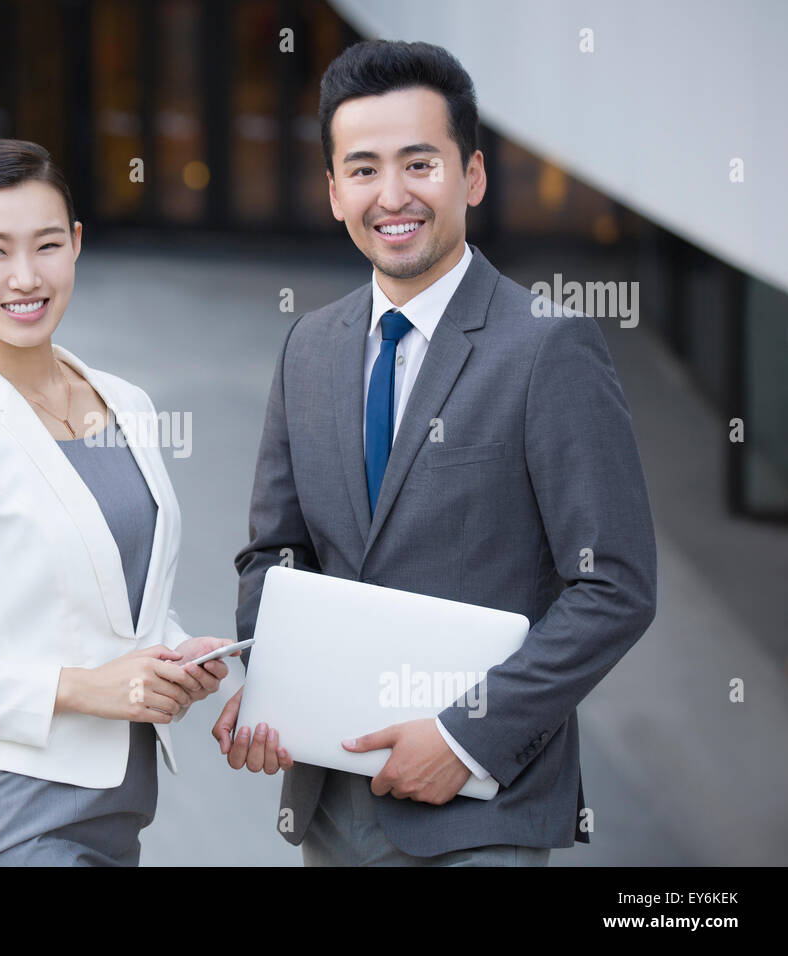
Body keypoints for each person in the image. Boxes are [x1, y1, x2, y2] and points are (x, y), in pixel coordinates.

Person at [212, 39, 657, 866]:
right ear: (335, 190)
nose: (393, 195)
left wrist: (463, 738)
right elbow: (273, 554)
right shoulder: (308, 348)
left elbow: (615, 586)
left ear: (472, 177)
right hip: (330, 801)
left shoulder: (548, 349)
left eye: (420, 163)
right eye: (365, 168)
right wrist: (263, 687)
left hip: (477, 815)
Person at [0, 137, 235, 866]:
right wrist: (82, 689)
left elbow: (104, 597)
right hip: (11, 820)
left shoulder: (126, 404)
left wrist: (173, 650)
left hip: (119, 809)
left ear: (77, 245)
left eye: (46, 245)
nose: (26, 277)